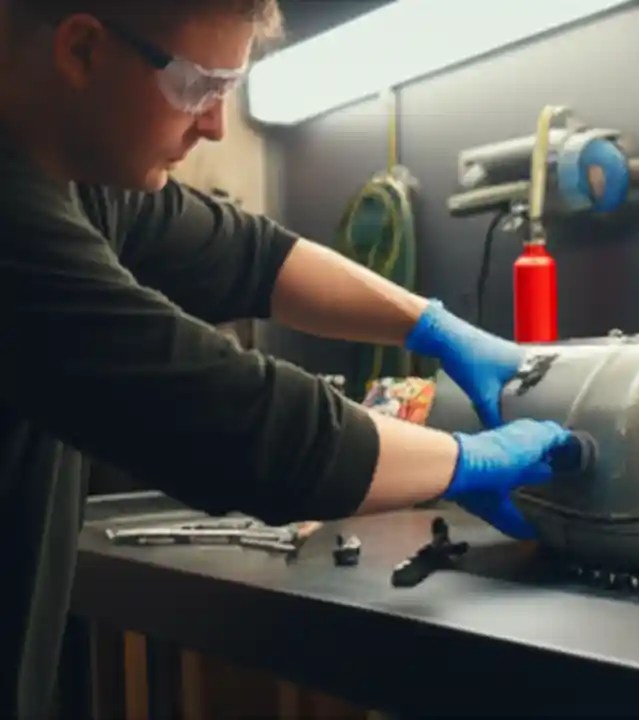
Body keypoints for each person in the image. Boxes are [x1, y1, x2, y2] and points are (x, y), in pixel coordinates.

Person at [0, 1, 575, 717]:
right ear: (82, 50)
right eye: (198, 87)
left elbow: (249, 255)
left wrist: (433, 326)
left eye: (228, 90)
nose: (215, 125)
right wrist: (466, 461)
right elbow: (240, 421)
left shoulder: (75, 175)